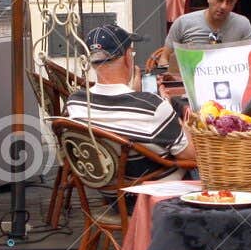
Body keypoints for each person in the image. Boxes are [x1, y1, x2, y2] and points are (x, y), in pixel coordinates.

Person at [65, 24, 191, 178]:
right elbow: (190, 155)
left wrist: (134, 93)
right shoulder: (153, 107)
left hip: (106, 182)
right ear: (128, 57)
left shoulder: (75, 102)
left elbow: (116, 111)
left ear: (91, 62)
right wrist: (169, 108)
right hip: (153, 185)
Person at [161, 0, 251, 49]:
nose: (223, 6)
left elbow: (250, 59)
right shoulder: (183, 22)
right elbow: (165, 58)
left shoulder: (243, 24)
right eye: (219, 0)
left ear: (236, 1)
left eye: (230, 2)